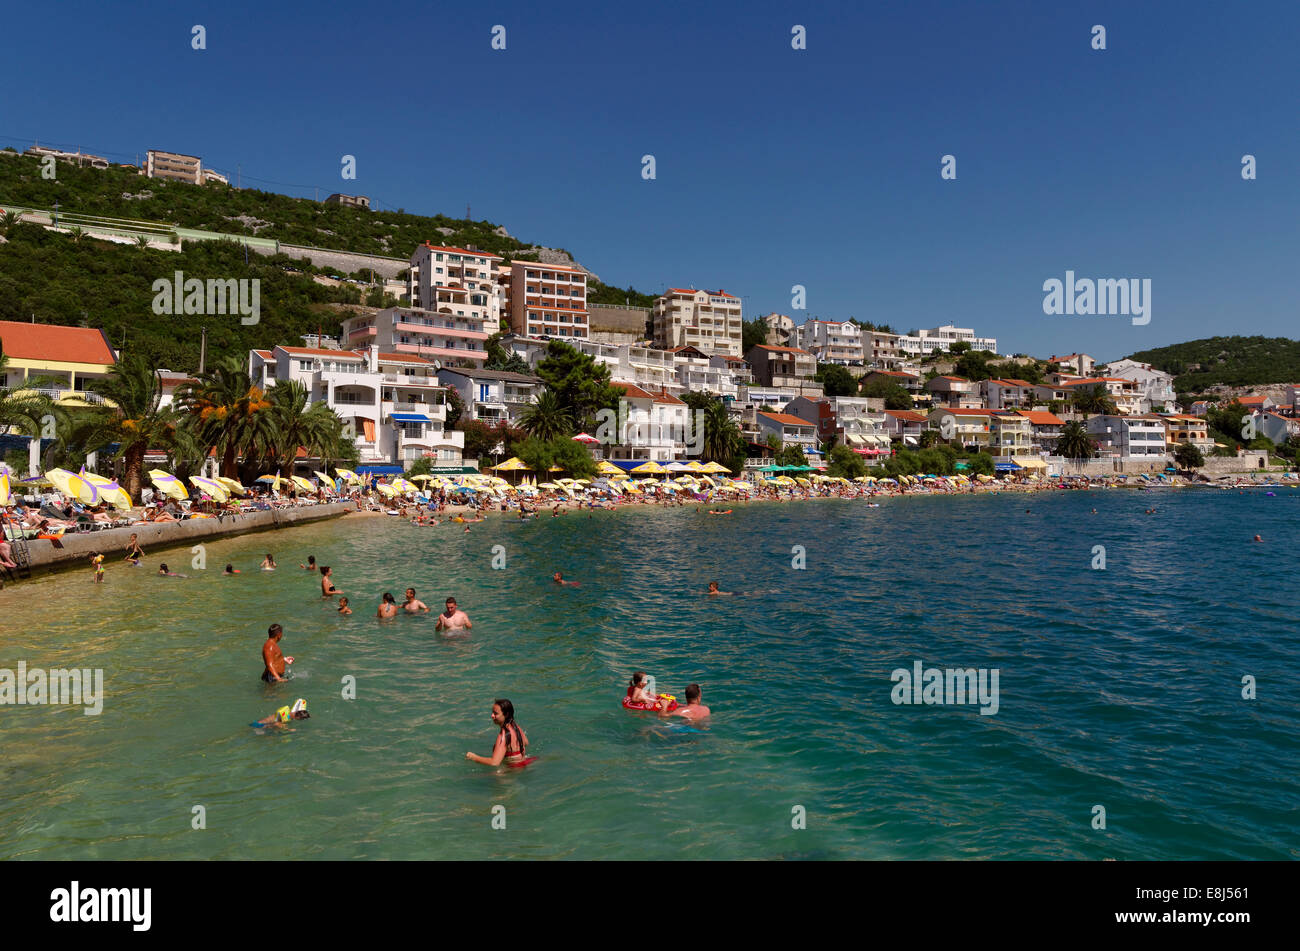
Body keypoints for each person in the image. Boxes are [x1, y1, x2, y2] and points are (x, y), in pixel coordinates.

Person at [466, 699, 533, 767]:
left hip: (511, 771)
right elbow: (526, 743)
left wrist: (474, 757)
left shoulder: (503, 736)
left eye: (496, 713)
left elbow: (494, 763)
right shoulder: (516, 727)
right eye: (492, 712)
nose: (492, 715)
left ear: (506, 714)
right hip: (523, 763)